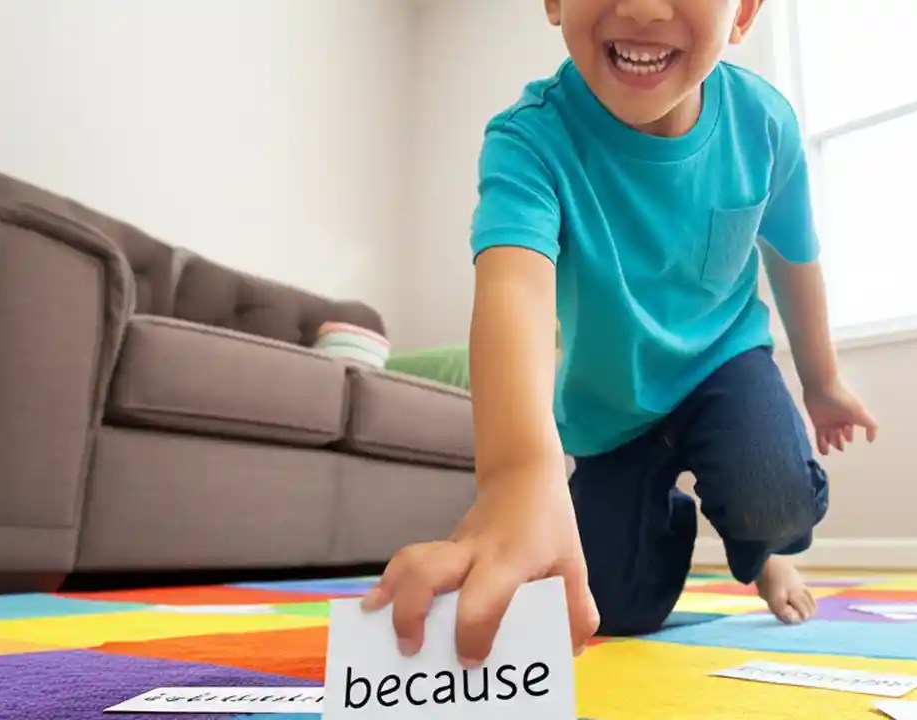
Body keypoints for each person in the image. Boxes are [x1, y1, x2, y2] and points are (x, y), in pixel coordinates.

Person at [362, 0, 878, 668]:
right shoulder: (530, 140)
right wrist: (517, 477)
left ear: (744, 12)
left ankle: (759, 554)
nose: (640, 7)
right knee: (613, 606)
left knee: (775, 504)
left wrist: (824, 381)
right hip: (611, 409)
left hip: (724, 365)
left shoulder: (764, 124)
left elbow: (794, 256)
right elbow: (513, 285)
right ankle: (674, 514)